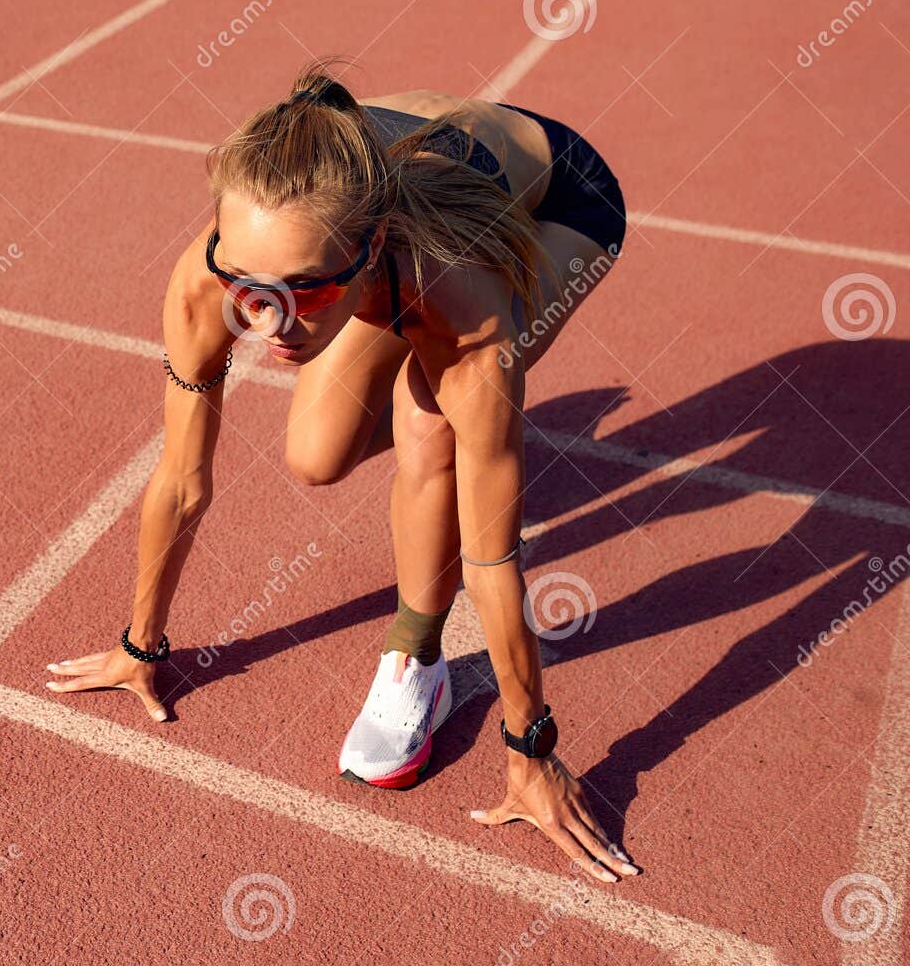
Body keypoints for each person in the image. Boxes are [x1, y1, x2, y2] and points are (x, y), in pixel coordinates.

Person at [43, 59, 636, 882]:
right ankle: (395, 356)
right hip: (396, 205)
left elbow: (495, 561)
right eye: (247, 287)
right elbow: (182, 478)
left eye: (306, 292)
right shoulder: (211, 276)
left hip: (562, 198)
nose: (272, 320)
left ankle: (416, 657)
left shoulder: (462, 307)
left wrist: (530, 748)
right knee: (314, 453)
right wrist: (140, 643)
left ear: (370, 253)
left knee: (432, 425)